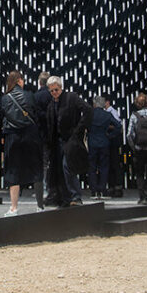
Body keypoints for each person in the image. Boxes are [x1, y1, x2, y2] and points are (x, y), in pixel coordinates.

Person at [0, 70, 44, 216]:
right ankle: (40, 206)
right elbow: (36, 115)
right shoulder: (30, 95)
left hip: (13, 137)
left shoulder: (5, 98)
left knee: (13, 170)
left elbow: (7, 117)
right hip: (30, 135)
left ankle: (13, 208)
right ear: (19, 80)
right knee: (36, 168)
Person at [46, 76, 92, 207]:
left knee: (68, 167)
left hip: (70, 139)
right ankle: (66, 197)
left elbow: (87, 110)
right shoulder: (51, 105)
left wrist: (79, 130)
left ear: (61, 88)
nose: (54, 92)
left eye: (56, 89)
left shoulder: (71, 98)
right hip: (57, 142)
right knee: (60, 168)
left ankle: (76, 196)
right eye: (52, 91)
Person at [88, 96, 118, 199]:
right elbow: (118, 126)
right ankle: (102, 189)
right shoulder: (107, 115)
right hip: (104, 142)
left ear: (94, 104)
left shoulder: (90, 114)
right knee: (104, 167)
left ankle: (94, 190)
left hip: (92, 143)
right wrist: (110, 136)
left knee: (92, 167)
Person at [34, 71, 56, 205]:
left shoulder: (35, 97)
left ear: (39, 82)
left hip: (39, 135)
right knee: (53, 163)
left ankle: (42, 190)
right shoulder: (53, 96)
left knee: (41, 164)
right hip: (52, 134)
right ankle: (52, 189)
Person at [104, 96, 124, 197]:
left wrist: (106, 126)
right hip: (110, 142)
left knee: (115, 164)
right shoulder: (107, 112)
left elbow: (117, 125)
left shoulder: (112, 112)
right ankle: (112, 186)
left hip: (113, 142)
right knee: (110, 164)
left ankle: (117, 187)